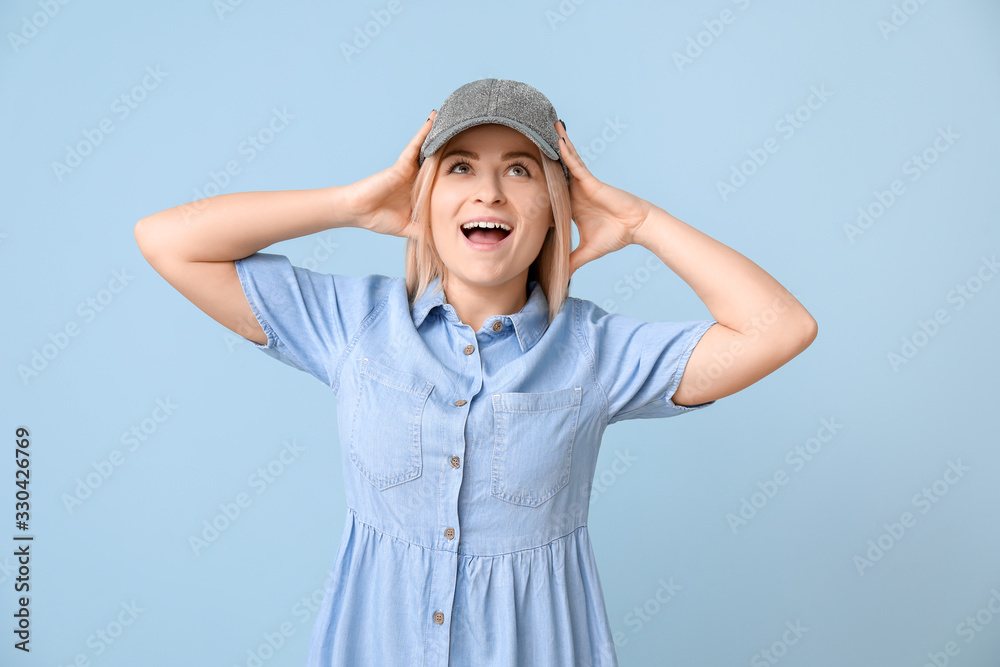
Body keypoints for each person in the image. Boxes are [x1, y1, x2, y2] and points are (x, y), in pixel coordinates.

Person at [134, 78, 817, 666]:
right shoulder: (353, 322)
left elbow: (780, 326)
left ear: (555, 206)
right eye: (460, 167)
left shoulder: (593, 349)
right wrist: (349, 204)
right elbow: (167, 240)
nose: (488, 191)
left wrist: (638, 220)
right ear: (424, 196)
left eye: (520, 169)